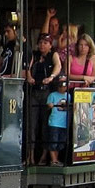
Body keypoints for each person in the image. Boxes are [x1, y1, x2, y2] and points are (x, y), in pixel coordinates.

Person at [25, 34, 62, 165]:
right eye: (40, 42)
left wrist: (51, 77)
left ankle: (44, 156)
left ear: (50, 45)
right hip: (35, 91)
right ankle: (30, 156)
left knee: (46, 124)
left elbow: (58, 66)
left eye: (45, 43)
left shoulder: (53, 55)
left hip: (47, 92)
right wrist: (29, 77)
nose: (42, 45)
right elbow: (28, 68)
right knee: (32, 124)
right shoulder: (34, 55)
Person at [46, 77, 69, 167]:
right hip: (54, 122)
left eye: (64, 86)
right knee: (53, 141)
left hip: (64, 123)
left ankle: (56, 159)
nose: (63, 88)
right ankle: (54, 160)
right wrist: (50, 105)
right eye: (61, 86)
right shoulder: (52, 95)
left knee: (60, 142)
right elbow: (48, 106)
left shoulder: (68, 96)